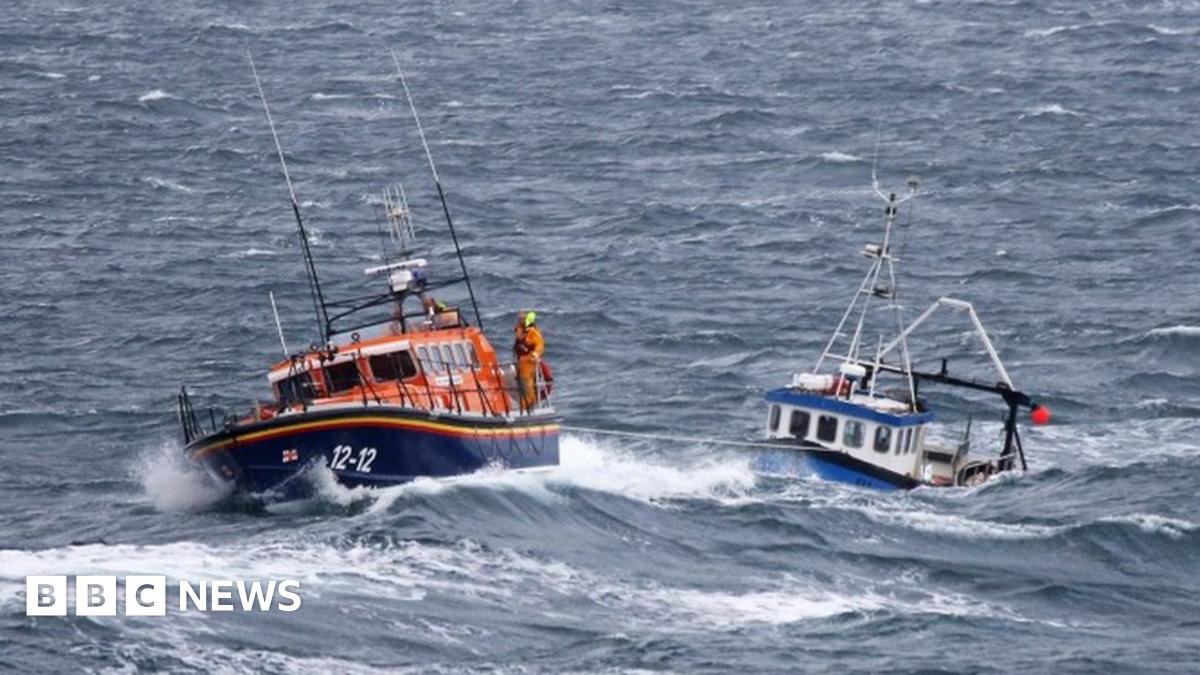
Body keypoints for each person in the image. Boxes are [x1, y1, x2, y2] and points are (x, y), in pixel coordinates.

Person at [513, 311, 544, 410]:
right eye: (519, 318)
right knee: (523, 385)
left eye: (522, 318)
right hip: (521, 362)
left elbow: (540, 345)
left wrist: (535, 354)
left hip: (529, 362)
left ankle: (529, 405)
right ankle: (526, 405)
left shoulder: (532, 332)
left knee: (528, 385)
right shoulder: (520, 330)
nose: (520, 320)